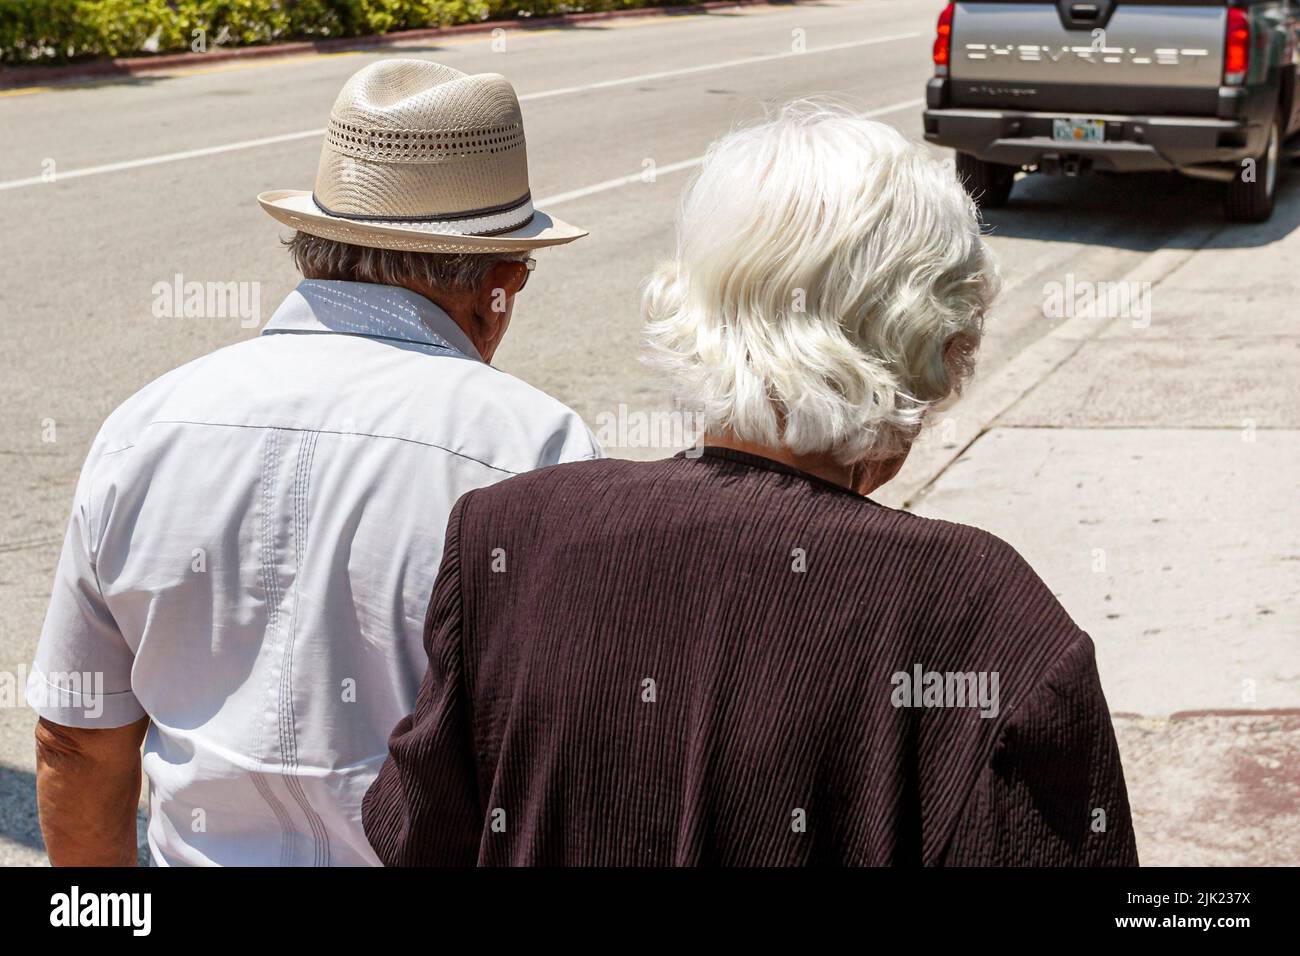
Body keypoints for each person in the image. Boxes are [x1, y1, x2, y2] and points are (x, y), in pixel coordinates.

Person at [362, 103, 1139, 867]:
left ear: (693, 302)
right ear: (939, 340)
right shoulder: (985, 618)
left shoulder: (509, 537)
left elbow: (416, 838)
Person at [29, 58, 598, 866]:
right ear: (501, 281)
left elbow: (77, 741)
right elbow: (567, 760)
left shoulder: (143, 428)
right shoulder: (536, 451)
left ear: (312, 245)